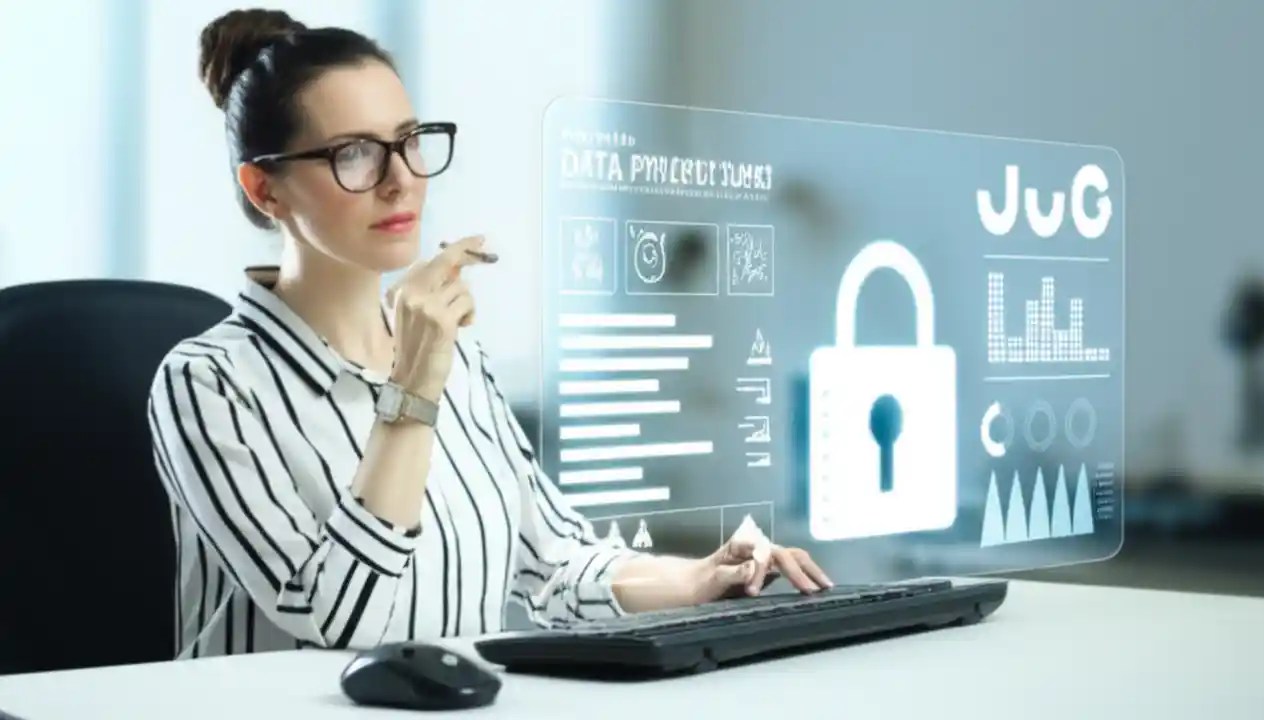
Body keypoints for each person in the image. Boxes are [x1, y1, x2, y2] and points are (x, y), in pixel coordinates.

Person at [147, 7, 832, 659]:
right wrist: (413, 387)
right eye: (354, 153)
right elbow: (338, 620)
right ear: (266, 190)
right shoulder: (209, 383)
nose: (402, 180)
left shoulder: (459, 360)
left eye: (410, 142)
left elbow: (557, 564)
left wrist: (699, 578)